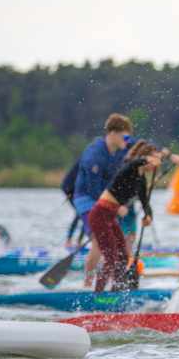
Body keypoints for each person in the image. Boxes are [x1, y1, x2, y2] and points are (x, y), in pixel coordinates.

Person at [87, 141, 167, 292]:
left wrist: (148, 216)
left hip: (110, 217)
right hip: (99, 214)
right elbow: (135, 162)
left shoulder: (142, 180)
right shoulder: (130, 168)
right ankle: (98, 294)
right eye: (153, 160)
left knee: (123, 256)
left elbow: (145, 202)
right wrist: (147, 159)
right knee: (111, 257)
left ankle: (117, 291)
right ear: (146, 157)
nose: (155, 165)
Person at [73, 114, 134, 284]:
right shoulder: (94, 154)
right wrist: (115, 207)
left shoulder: (119, 149)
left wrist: (165, 153)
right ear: (113, 133)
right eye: (125, 136)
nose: (128, 140)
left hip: (104, 200)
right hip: (86, 199)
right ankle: (87, 283)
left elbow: (140, 144)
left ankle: (115, 281)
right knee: (98, 241)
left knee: (115, 242)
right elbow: (94, 190)